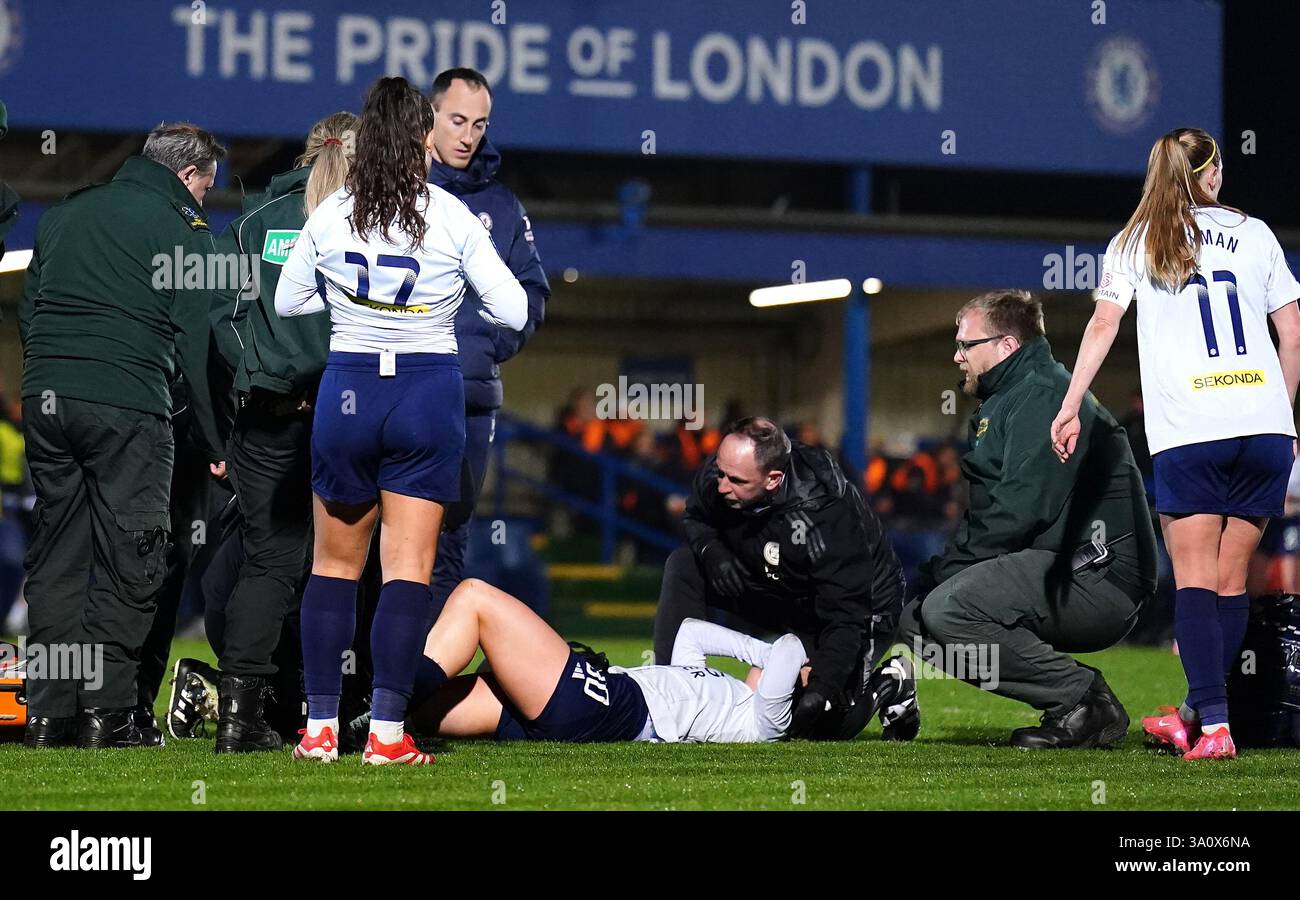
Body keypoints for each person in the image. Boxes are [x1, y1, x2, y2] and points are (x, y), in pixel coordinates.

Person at [274, 77, 526, 766]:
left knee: (332, 566)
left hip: (349, 387)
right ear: (422, 138)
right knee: (408, 572)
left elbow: (290, 301)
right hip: (424, 393)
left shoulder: (333, 213)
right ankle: (386, 734)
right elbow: (514, 310)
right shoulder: (449, 215)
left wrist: (358, 301)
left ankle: (319, 729)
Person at [1051, 127, 1300, 760]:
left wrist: (1071, 402)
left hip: (1193, 426)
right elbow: (1292, 334)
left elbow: (1104, 324)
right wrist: (1285, 415)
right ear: (1210, 174)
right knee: (1230, 579)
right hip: (1264, 425)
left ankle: (1215, 726)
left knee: (1192, 578)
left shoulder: (1137, 241)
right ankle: (1196, 713)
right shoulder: (1256, 233)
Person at [18, 123, 228, 748]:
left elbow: (31, 310)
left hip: (47, 400)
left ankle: (48, 716)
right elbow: (199, 344)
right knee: (131, 558)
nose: (203, 202)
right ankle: (107, 717)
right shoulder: (179, 229)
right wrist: (215, 442)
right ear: (188, 177)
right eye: (205, 190)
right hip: (127, 405)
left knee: (58, 560)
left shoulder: (65, 213)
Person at [898, 290, 1158, 750]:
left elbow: (1017, 510)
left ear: (1006, 346)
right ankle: (1073, 701)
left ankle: (1084, 702)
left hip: (1097, 576)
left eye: (966, 345)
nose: (957, 356)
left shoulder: (1040, 393)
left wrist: (946, 576)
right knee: (918, 624)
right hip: (1068, 566)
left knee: (943, 611)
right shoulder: (1016, 392)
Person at [192, 111, 360, 754]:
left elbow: (223, 318)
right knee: (352, 564)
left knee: (268, 563)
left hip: (267, 416)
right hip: (343, 412)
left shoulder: (252, 225)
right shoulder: (362, 218)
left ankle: (241, 715)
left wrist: (259, 373)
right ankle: (346, 706)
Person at [654, 416, 912, 740]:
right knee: (684, 565)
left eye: (735, 480)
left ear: (773, 479)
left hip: (858, 605)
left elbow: (846, 616)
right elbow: (696, 515)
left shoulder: (824, 514)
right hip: (778, 582)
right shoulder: (727, 468)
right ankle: (669, 688)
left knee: (815, 721)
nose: (721, 485)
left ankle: (890, 682)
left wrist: (823, 686)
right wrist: (712, 550)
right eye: (721, 472)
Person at [398, 578, 821, 746]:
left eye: (796, 676)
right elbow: (692, 630)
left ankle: (382, 711)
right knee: (422, 713)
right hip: (590, 709)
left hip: (605, 702)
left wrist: (795, 666)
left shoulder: (765, 720)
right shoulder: (723, 688)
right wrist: (769, 661)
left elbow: (788, 646)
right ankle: (379, 720)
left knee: (475, 598)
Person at [423, 67, 548, 611]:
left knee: (447, 546)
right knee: (381, 542)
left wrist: (480, 347)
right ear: (428, 117)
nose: (469, 135)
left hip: (469, 402)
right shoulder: (393, 192)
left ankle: (424, 687)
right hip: (390, 388)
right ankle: (368, 682)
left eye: (479, 124)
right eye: (457, 120)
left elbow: (532, 298)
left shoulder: (501, 207)